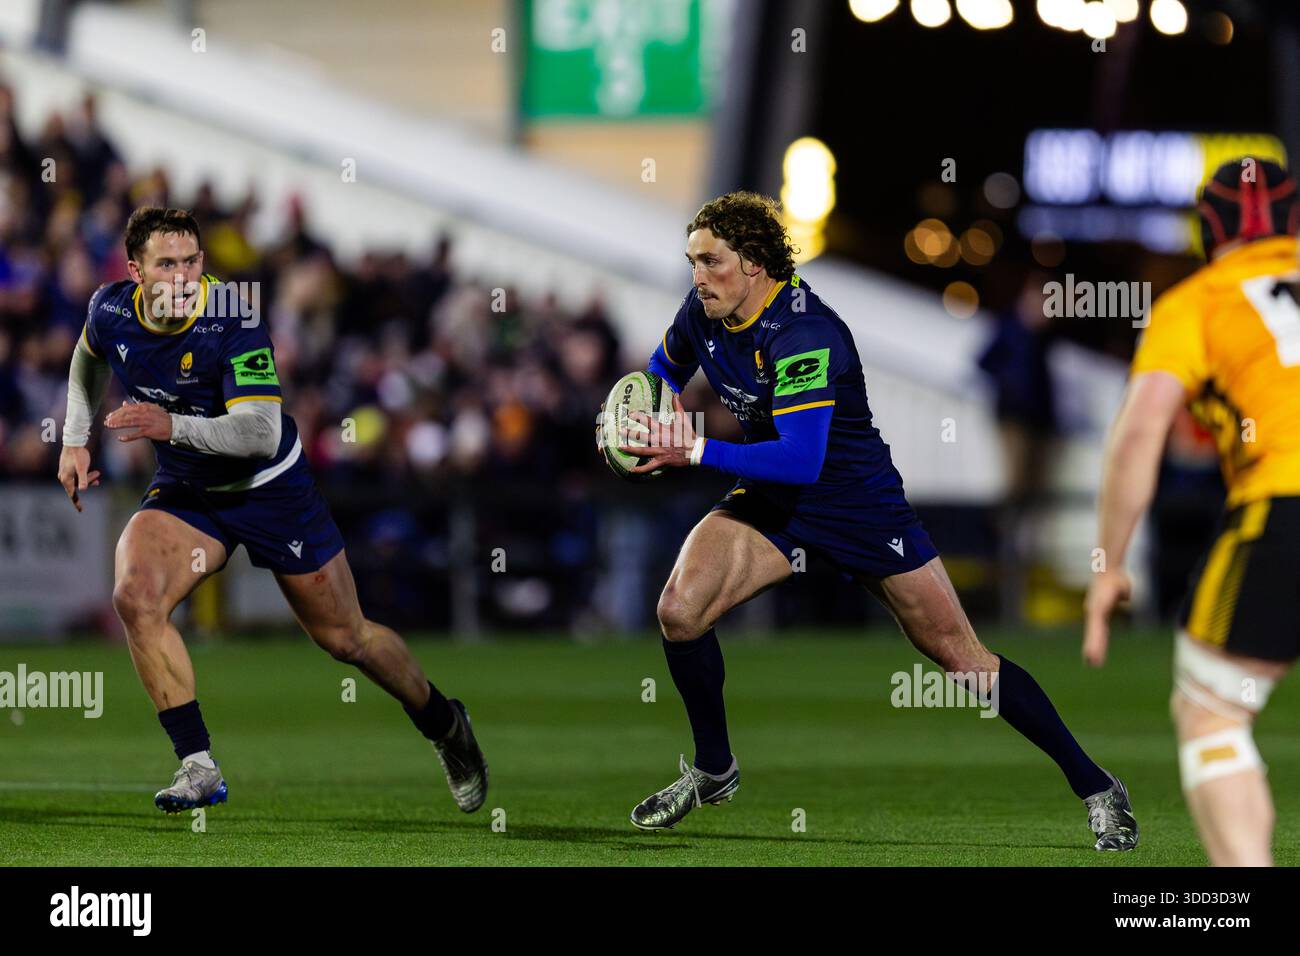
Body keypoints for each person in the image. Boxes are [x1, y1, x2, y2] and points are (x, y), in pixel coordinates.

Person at [612, 191, 1136, 849]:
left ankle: (1097, 788)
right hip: (774, 504)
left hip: (858, 508)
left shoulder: (805, 331)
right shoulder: (704, 312)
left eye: (710, 261)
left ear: (752, 263)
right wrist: (641, 411)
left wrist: (686, 447)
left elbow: (803, 460)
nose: (697, 276)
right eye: (692, 261)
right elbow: (663, 369)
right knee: (680, 611)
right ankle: (715, 770)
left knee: (961, 658)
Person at [58, 207, 488, 814]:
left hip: (269, 488)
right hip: (190, 491)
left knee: (347, 640)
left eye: (191, 262)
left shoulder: (233, 319)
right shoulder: (109, 307)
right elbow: (88, 356)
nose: (182, 276)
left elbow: (258, 432)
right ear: (135, 272)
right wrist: (75, 439)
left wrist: (169, 424)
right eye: (166, 265)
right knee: (135, 595)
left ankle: (446, 724)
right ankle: (198, 766)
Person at [1085, 157, 1300, 866]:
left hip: (1284, 503)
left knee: (1213, 713)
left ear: (1208, 230)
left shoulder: (1198, 301)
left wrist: (1108, 565)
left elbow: (1140, 431)